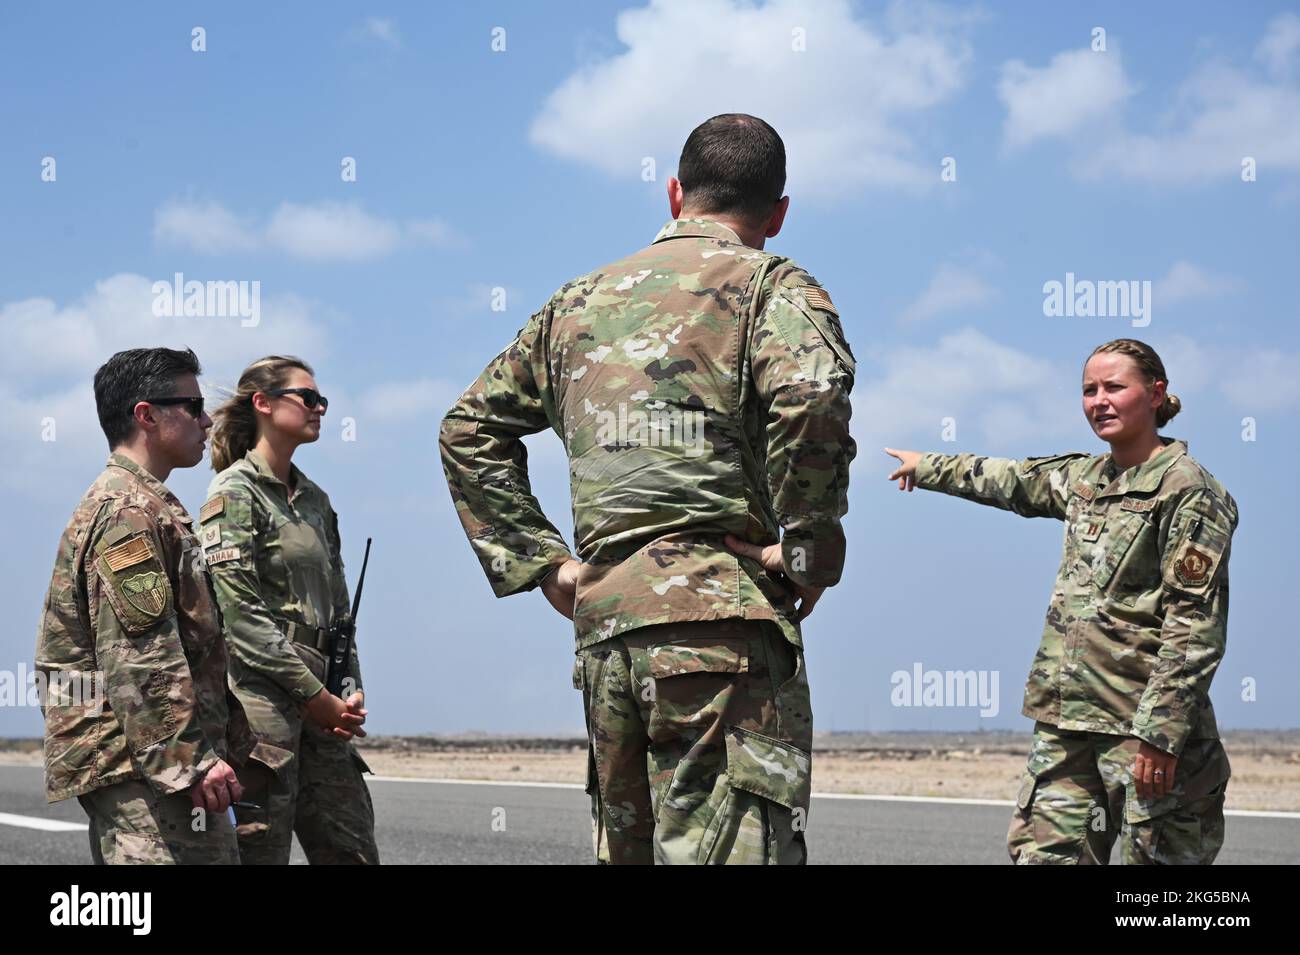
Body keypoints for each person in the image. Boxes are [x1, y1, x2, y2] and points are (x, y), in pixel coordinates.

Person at [439, 114, 856, 864]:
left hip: (608, 635)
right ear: (779, 210)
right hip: (718, 627)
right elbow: (812, 397)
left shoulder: (576, 302)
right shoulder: (773, 286)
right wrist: (809, 553)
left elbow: (468, 429)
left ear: (675, 193)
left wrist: (545, 564)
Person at [885, 338, 1236, 864]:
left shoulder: (1188, 491)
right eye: (1089, 390)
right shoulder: (1086, 480)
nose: (1100, 401)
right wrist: (927, 465)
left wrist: (1161, 734)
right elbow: (1012, 479)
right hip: (1067, 723)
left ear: (1156, 393)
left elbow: (1194, 627)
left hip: (1142, 732)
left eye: (1115, 387)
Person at [35, 346, 283, 864]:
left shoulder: (146, 506)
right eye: (192, 407)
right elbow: (139, 656)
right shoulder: (127, 510)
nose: (207, 420)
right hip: (149, 769)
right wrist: (189, 762)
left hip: (152, 763)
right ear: (146, 415)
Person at [201, 355, 378, 865]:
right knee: (260, 851)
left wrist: (347, 694)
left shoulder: (317, 500)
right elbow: (242, 620)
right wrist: (314, 695)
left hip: (325, 700)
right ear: (263, 403)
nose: (319, 408)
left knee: (352, 849)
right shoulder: (234, 493)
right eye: (308, 397)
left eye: (322, 400)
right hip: (264, 705)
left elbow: (341, 613)